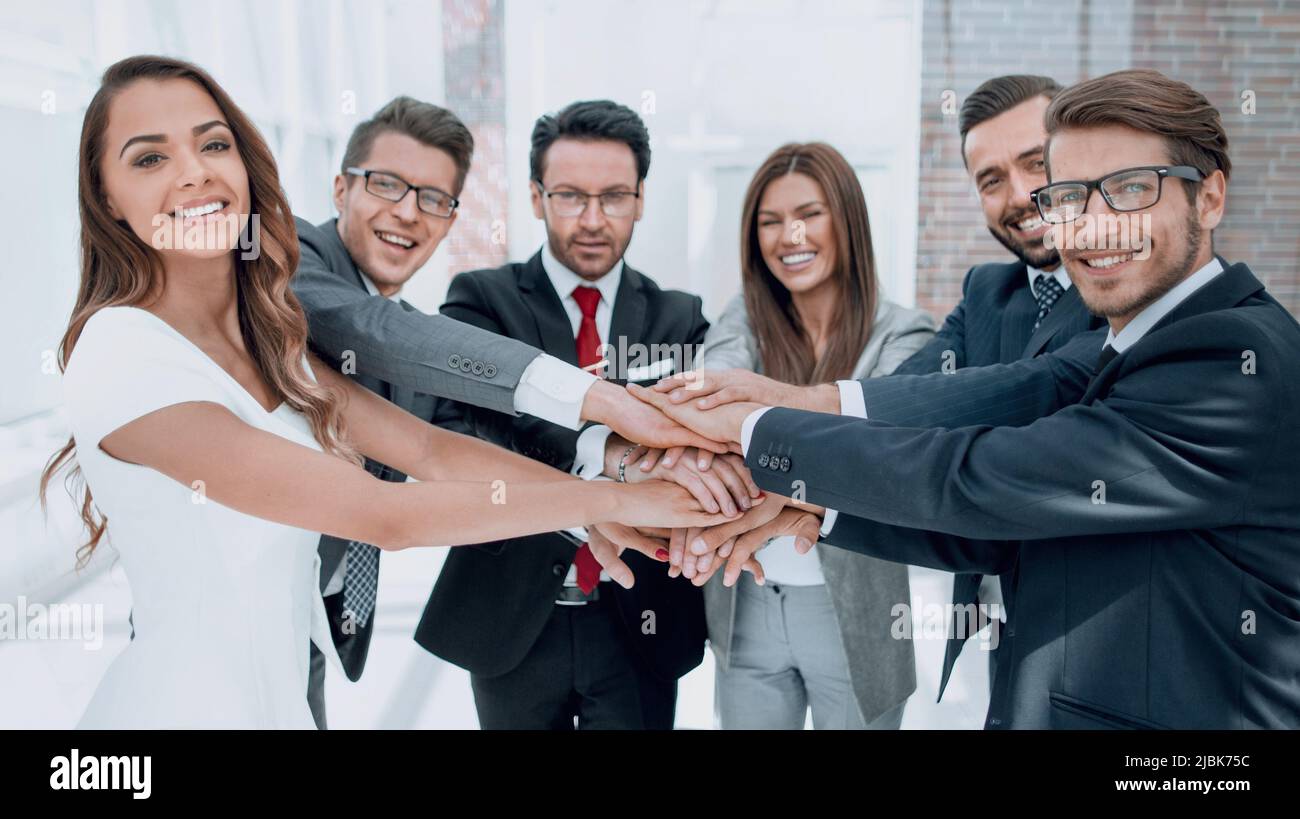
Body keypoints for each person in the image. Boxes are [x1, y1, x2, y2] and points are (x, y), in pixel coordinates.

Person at [41, 55, 726, 729]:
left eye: (213, 143)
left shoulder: (269, 345)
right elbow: (383, 511)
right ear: (106, 195)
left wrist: (590, 514)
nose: (193, 171)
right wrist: (616, 478)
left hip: (278, 686)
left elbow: (431, 449)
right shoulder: (128, 346)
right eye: (149, 158)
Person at [634, 69, 1300, 729]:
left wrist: (757, 433)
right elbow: (1014, 516)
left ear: (1209, 198)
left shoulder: (1234, 359)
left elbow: (984, 478)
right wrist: (809, 503)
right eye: (1068, 196)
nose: (1092, 225)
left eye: (1129, 189)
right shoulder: (1122, 342)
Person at [662, 76, 1108, 703]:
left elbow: (1033, 389)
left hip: (1096, 642)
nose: (1020, 194)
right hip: (1002, 626)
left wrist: (784, 413)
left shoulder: (1118, 297)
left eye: (1036, 164)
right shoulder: (991, 293)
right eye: (989, 179)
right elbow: (910, 396)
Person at [414, 100, 760, 729]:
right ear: (536, 197)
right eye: (571, 196)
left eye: (615, 197)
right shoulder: (482, 301)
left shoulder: (678, 318)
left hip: (641, 617)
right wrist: (606, 459)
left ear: (642, 199)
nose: (594, 220)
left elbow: (695, 449)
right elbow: (457, 427)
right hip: (512, 614)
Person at [685, 142, 933, 729]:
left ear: (847, 218)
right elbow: (710, 411)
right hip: (747, 606)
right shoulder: (742, 318)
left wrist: (759, 430)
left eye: (809, 214)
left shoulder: (906, 333)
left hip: (854, 614)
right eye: (769, 222)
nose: (788, 236)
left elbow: (881, 457)